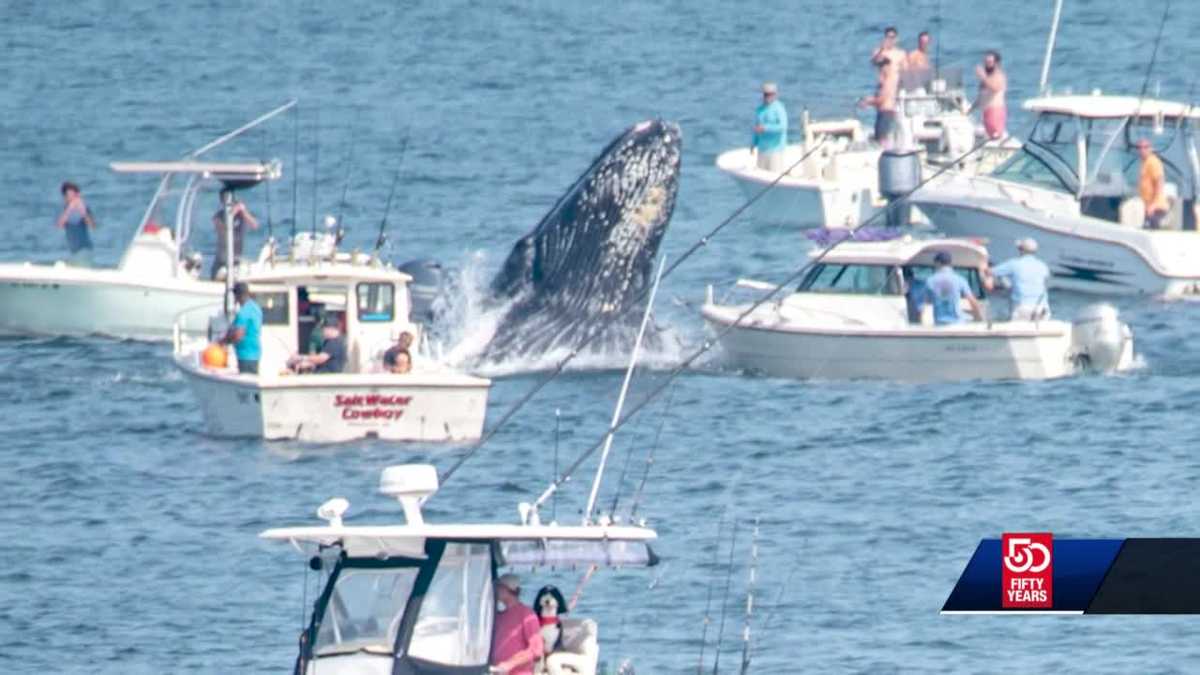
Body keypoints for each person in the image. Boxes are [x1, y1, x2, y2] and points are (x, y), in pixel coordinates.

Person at [982, 238, 1052, 320]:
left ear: (1020, 250)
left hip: (1022, 308)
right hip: (1042, 308)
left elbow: (989, 272)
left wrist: (983, 261)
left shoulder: (1014, 264)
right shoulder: (1043, 266)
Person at [491, 573, 544, 675]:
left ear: (506, 589)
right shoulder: (498, 616)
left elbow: (536, 649)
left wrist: (509, 664)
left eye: (498, 587)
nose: (495, 591)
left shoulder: (527, 614)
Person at [921, 251, 985, 325]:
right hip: (958, 323)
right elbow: (972, 301)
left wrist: (921, 323)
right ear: (950, 263)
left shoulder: (930, 281)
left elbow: (923, 305)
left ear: (937, 263)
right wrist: (979, 318)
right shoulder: (960, 279)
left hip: (939, 323)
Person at [210, 188, 260, 280]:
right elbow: (223, 228)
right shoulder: (218, 217)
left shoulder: (241, 216)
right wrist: (232, 212)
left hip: (236, 259)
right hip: (222, 261)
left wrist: (243, 211)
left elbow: (255, 225)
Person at [221, 282, 262, 374]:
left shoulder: (243, 312)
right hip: (255, 353)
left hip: (245, 355)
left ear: (238, 295)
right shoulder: (255, 308)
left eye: (235, 295)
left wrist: (224, 341)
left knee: (247, 382)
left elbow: (238, 335)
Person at [858, 58, 899, 148]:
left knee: (882, 139)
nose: (880, 70)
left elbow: (882, 99)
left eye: (881, 67)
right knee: (878, 137)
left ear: (887, 67)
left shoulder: (888, 82)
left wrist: (868, 101)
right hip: (882, 113)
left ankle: (884, 152)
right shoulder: (884, 80)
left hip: (886, 113)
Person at [55, 181, 97, 266]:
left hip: (84, 250)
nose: (72, 199)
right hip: (73, 252)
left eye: (74, 196)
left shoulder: (84, 208)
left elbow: (92, 225)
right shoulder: (66, 210)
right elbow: (59, 225)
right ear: (65, 197)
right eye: (69, 196)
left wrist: (83, 211)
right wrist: (70, 209)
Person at [752, 82, 788, 172]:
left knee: (774, 176)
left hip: (775, 150)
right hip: (762, 149)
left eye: (770, 94)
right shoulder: (759, 110)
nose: (768, 97)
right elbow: (757, 128)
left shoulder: (779, 108)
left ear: (775, 95)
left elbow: (782, 127)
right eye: (766, 94)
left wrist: (765, 128)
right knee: (760, 176)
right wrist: (753, 143)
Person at [973, 51, 1007, 140]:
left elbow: (995, 88)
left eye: (990, 62)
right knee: (988, 135)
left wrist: (983, 76)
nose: (987, 65)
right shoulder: (987, 78)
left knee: (995, 135)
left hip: (995, 111)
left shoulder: (998, 76)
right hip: (986, 111)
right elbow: (981, 96)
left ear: (997, 64)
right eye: (985, 62)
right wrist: (971, 109)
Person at [1137, 138, 1170, 229]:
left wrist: (1153, 205)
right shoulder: (1144, 163)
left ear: (1150, 148)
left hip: (1156, 208)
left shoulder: (1153, 162)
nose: (1142, 150)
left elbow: (1159, 182)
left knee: (1152, 231)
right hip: (1148, 207)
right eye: (1140, 147)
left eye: (1146, 147)